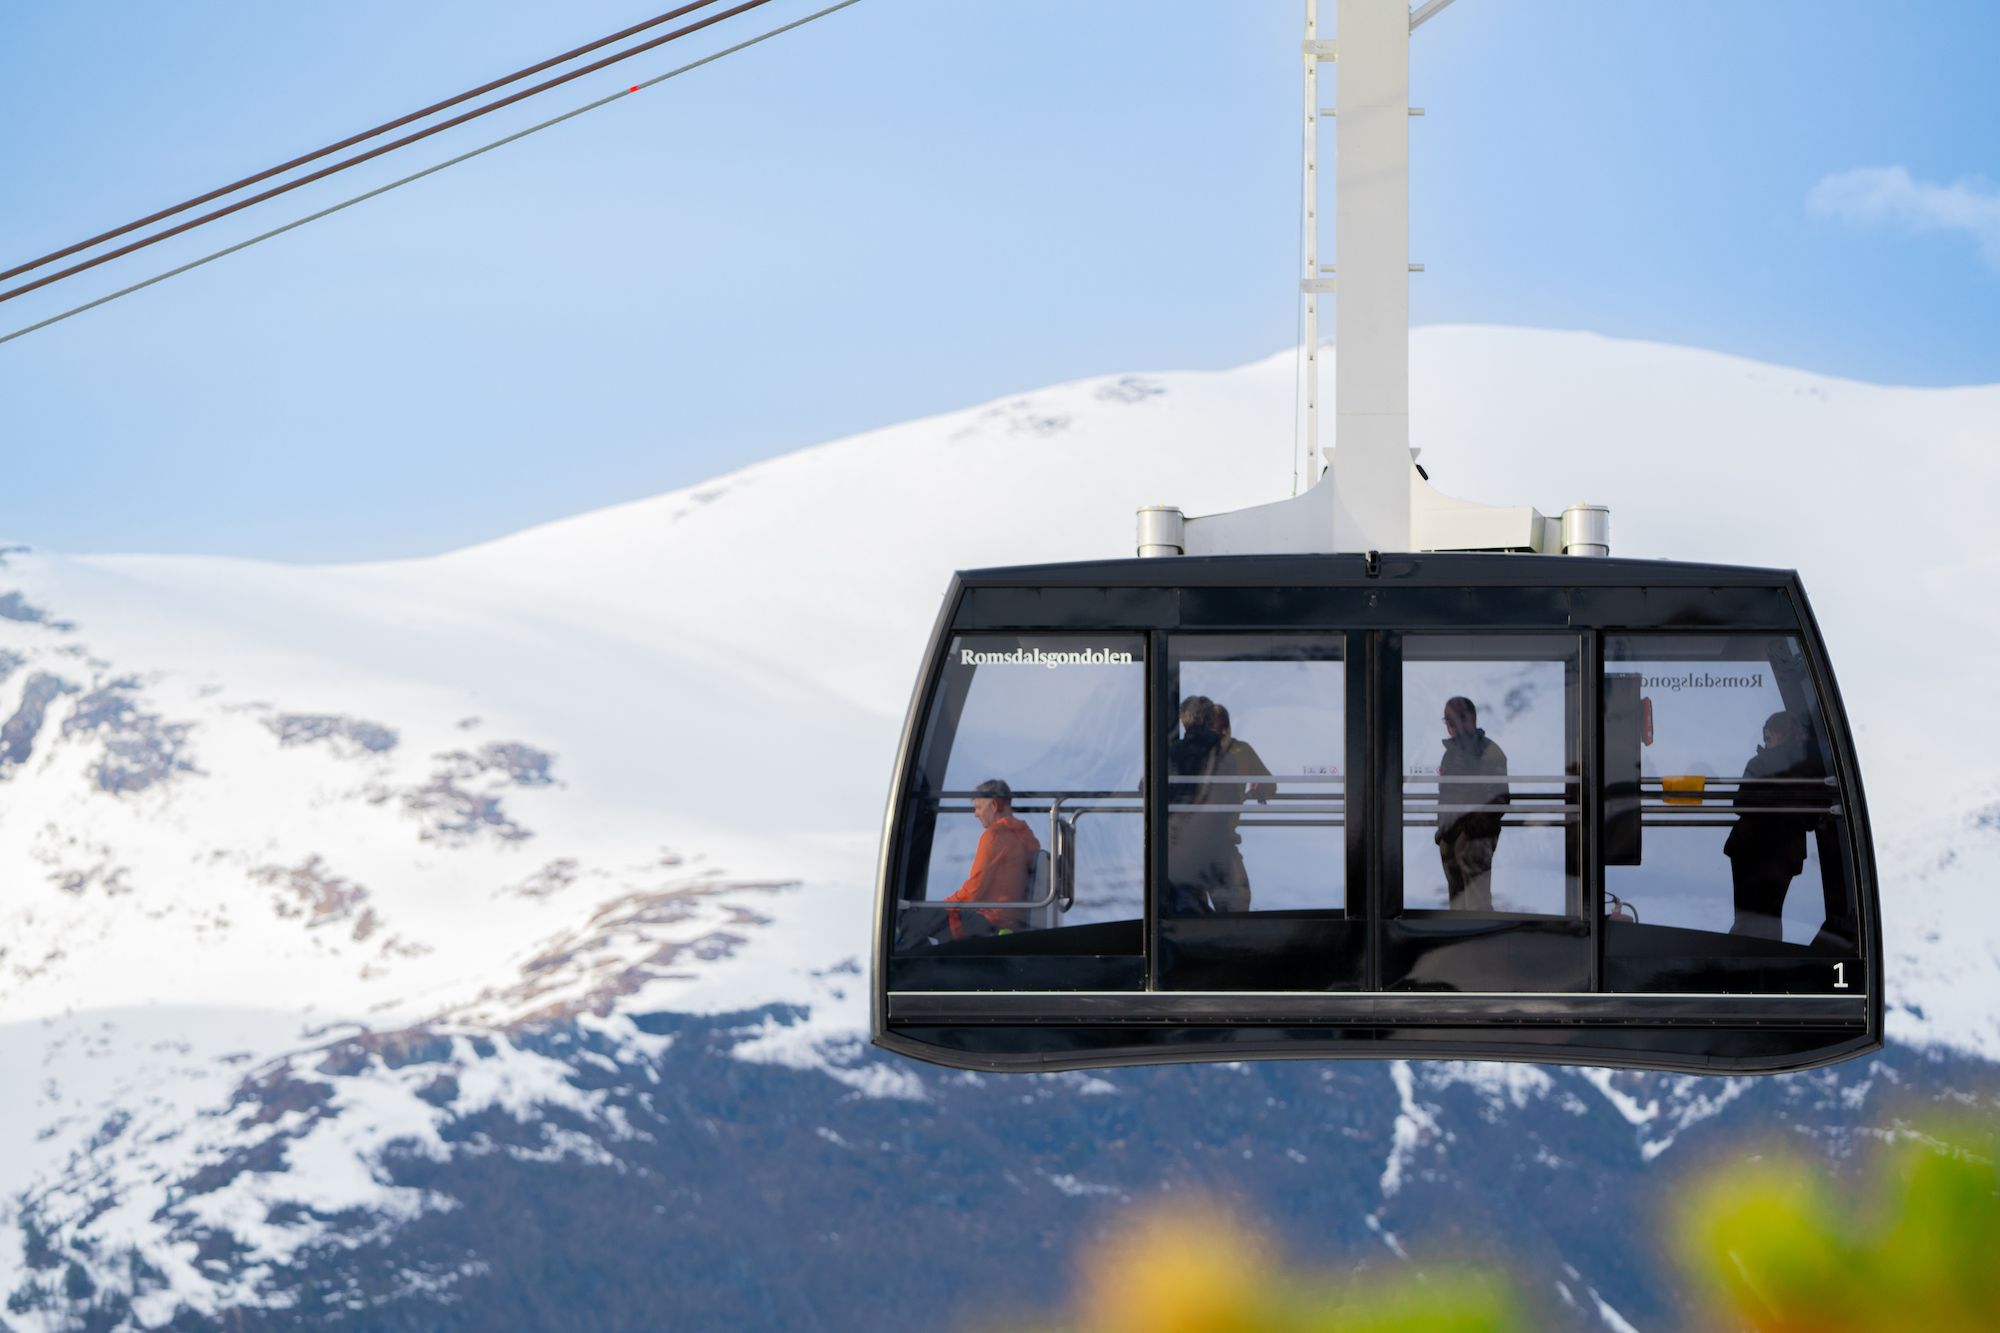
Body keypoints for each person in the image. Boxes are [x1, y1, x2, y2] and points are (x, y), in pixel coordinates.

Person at [1723, 710, 1823, 940]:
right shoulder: (1810, 768)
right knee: (1771, 915)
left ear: (1780, 735)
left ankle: (1737, 964)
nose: (1765, 743)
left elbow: (1740, 804)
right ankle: (1767, 961)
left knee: (1746, 916)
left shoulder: (1760, 763)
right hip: (1786, 854)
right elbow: (1811, 818)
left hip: (1749, 849)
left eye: (1768, 737)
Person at [940, 778, 1042, 942]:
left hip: (992, 921)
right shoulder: (1026, 837)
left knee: (917, 920)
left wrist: (944, 905)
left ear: (994, 805)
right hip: (1015, 920)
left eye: (978, 807)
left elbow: (974, 890)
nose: (976, 814)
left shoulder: (995, 835)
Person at [1434, 695, 1509, 911]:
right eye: (1448, 719)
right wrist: (1444, 833)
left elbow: (1500, 797)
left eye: (1458, 717)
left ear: (1472, 719)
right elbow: (1446, 795)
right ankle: (1462, 942)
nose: (1452, 723)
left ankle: (1482, 943)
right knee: (1457, 903)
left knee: (1478, 903)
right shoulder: (1449, 755)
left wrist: (1470, 830)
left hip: (1476, 838)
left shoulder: (1489, 751)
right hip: (1451, 837)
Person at [1165, 696, 1232, 914]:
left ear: (1186, 721)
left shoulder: (1174, 752)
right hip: (1217, 840)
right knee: (1229, 905)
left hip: (1181, 839)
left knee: (1186, 903)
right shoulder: (1223, 755)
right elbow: (1232, 796)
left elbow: (1147, 787)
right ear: (1211, 721)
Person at [1211, 703, 1275, 912]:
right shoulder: (1240, 750)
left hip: (1207, 843)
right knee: (1237, 903)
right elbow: (1269, 784)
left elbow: (1269, 784)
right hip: (1218, 842)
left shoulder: (1241, 751)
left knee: (1235, 902)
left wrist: (1261, 788)